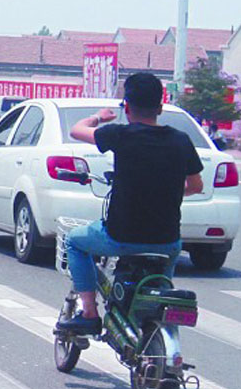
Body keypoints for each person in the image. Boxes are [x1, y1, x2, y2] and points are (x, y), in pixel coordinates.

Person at [56, 73, 204, 335]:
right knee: (161, 292)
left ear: (126, 107)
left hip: (121, 237)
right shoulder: (180, 140)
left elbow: (76, 130)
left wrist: (99, 117)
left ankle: (89, 313)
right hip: (167, 242)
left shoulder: (121, 135)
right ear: (160, 107)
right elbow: (195, 186)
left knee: (74, 242)